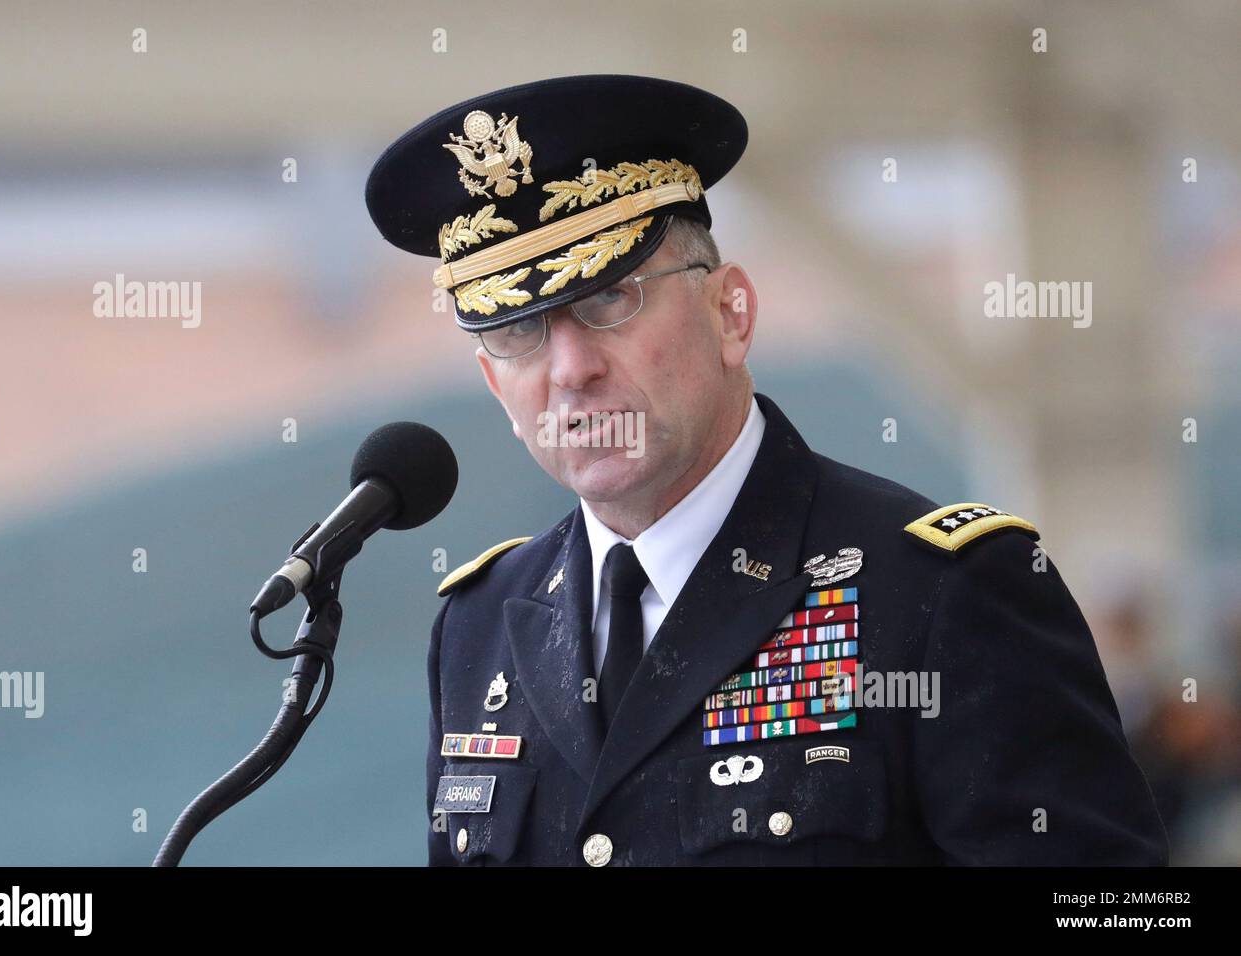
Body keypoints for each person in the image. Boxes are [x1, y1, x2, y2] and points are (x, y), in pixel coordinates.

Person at [364, 73, 1169, 866]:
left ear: (730, 313)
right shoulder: (481, 622)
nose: (570, 368)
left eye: (610, 300)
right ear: (493, 384)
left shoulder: (941, 592)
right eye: (520, 330)